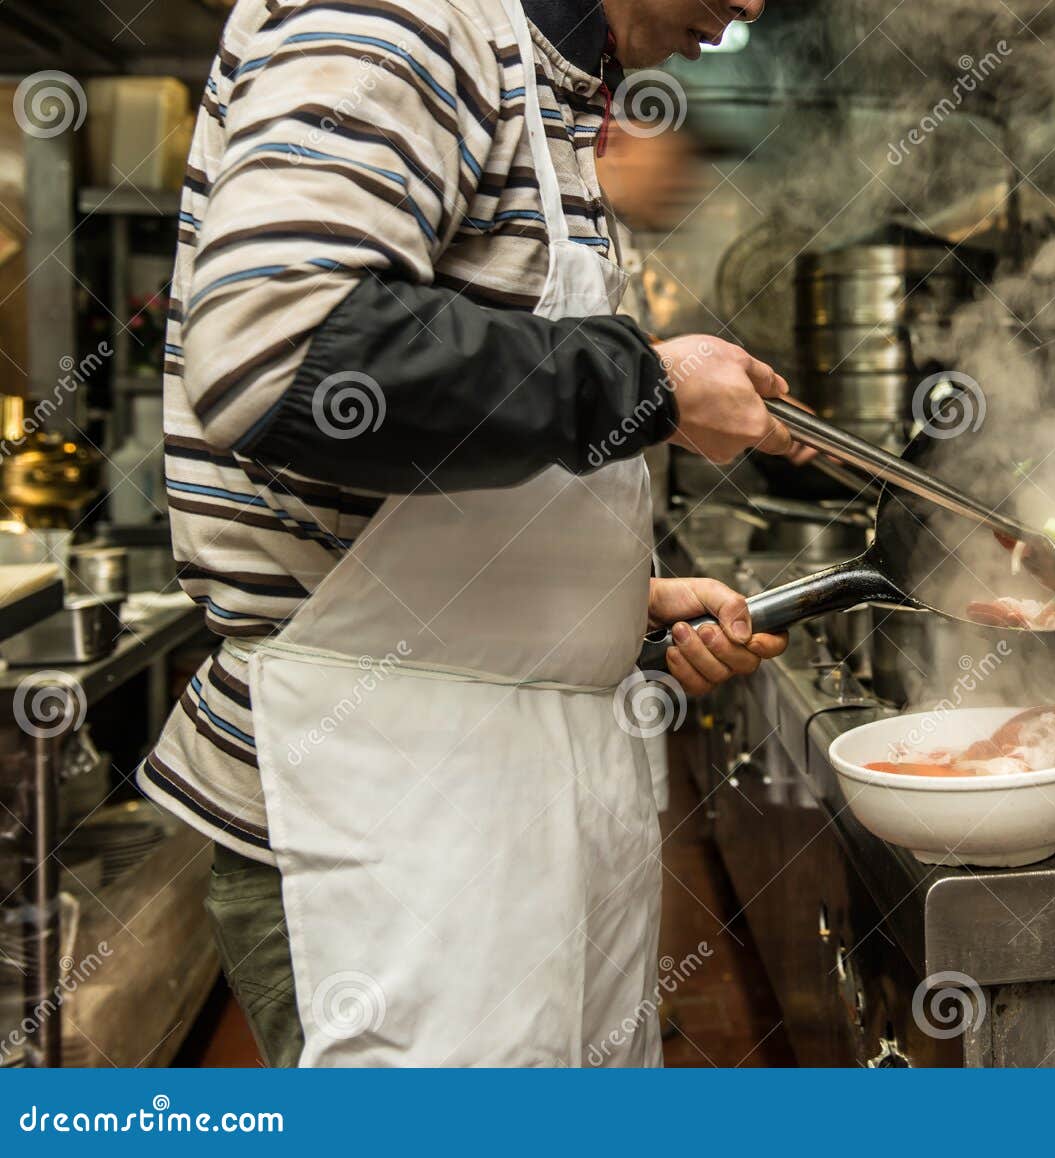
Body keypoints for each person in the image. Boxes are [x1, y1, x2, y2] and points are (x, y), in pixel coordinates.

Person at [139, 0, 787, 1066]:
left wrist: (605, 608)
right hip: (390, 817)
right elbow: (282, 358)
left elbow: (454, 437)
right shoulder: (405, 12)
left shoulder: (550, 86)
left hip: (510, 807)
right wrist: (650, 381)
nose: (757, 5)